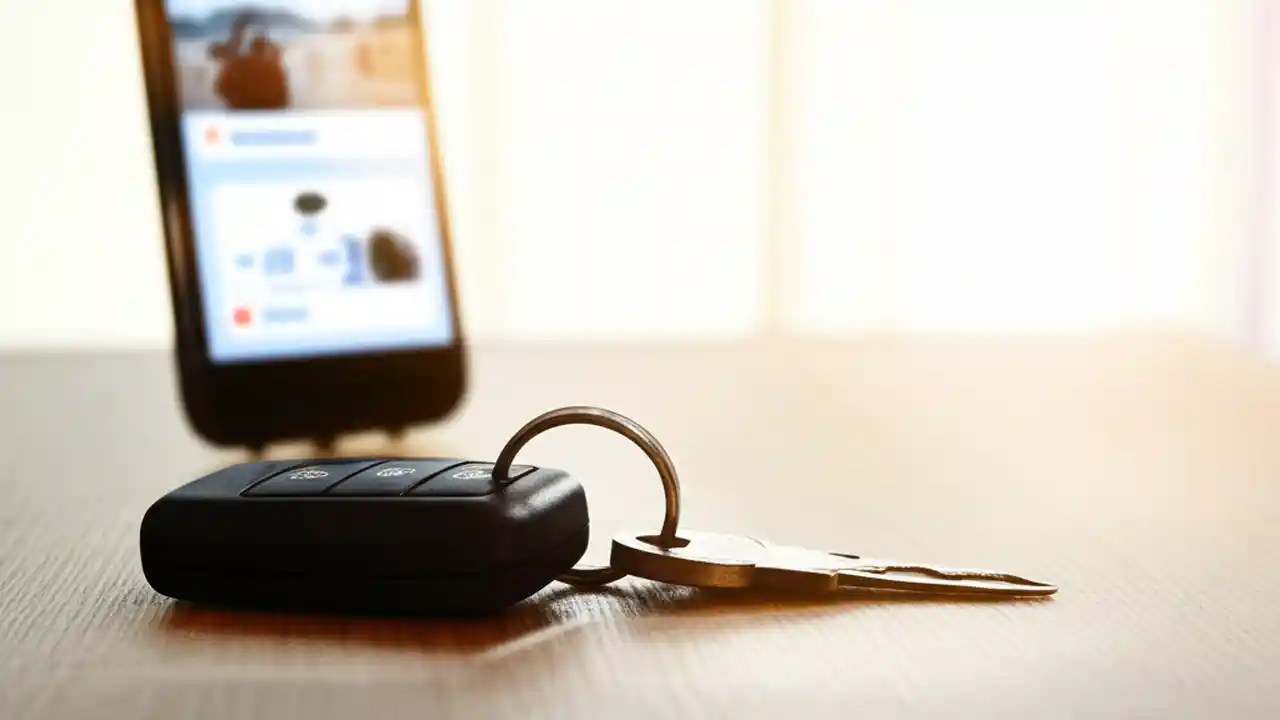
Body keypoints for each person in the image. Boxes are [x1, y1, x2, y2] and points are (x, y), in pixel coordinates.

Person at [210, 13, 291, 110]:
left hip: (245, 112)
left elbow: (221, 89)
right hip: (264, 112)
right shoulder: (272, 65)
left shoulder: (236, 65)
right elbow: (283, 95)